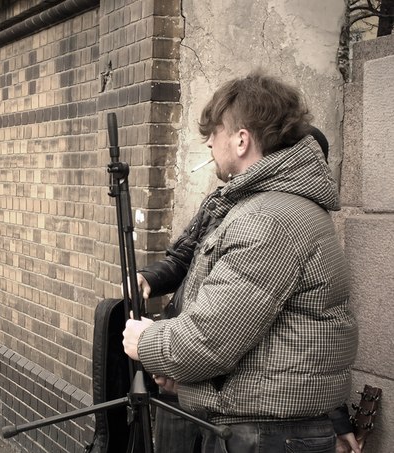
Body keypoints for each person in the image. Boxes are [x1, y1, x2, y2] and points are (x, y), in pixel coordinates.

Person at [123, 72, 359, 453]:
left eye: (214, 133)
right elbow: (265, 341)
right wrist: (187, 383)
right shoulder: (273, 206)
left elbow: (210, 338)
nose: (210, 144)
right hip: (266, 427)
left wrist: (146, 340)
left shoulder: (267, 219)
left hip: (264, 436)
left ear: (241, 140)